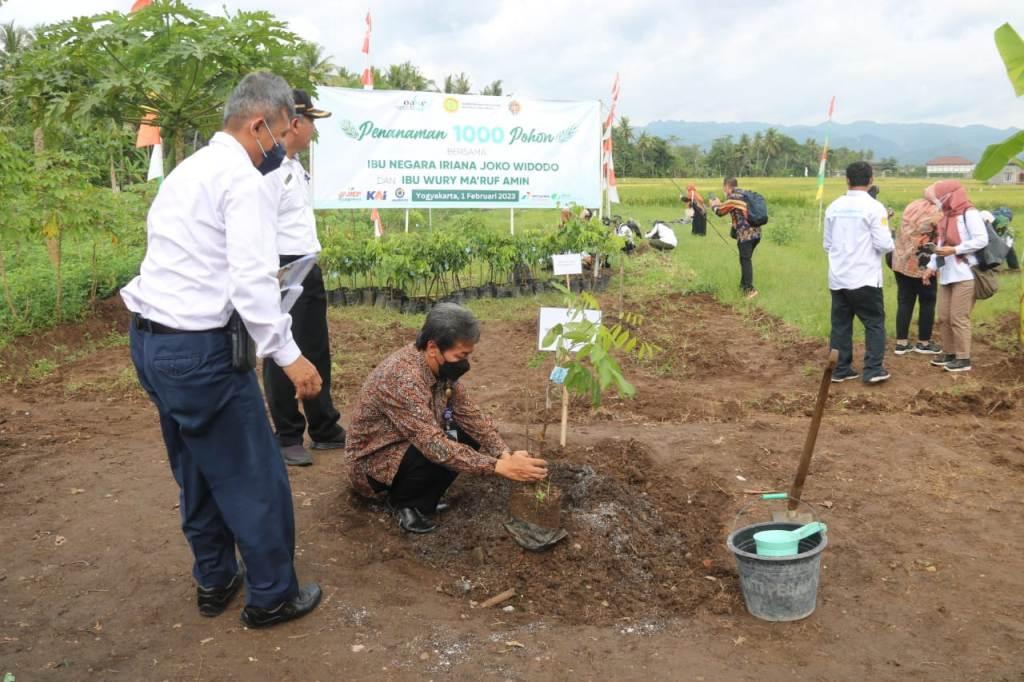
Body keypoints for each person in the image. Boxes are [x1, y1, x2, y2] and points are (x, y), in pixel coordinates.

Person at [120, 72, 323, 629]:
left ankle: (214, 578)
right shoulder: (245, 179)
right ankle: (272, 595)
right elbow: (252, 282)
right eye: (282, 133)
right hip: (201, 354)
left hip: (150, 343)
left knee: (197, 467)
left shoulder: (190, 170)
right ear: (260, 125)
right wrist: (289, 355)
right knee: (253, 475)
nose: (284, 146)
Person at [345, 304, 549, 534]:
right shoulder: (403, 379)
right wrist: (499, 467)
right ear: (433, 347)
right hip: (374, 463)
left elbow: (469, 414)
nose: (465, 362)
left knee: (465, 434)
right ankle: (403, 503)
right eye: (461, 355)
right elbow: (433, 445)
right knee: (439, 448)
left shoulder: (438, 367)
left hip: (410, 441)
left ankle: (423, 501)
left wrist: (504, 453)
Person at [262, 90, 346, 467]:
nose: (313, 130)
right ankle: (287, 434)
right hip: (281, 267)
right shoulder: (268, 171)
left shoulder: (293, 164)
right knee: (283, 347)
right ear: (295, 123)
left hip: (305, 264)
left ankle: (324, 426)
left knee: (315, 348)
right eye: (311, 121)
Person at [823, 161, 894, 384]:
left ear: (847, 180)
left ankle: (840, 369)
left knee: (841, 324)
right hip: (865, 277)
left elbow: (827, 244)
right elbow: (884, 244)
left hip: (839, 277)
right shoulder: (874, 207)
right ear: (871, 180)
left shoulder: (833, 207)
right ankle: (873, 369)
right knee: (874, 323)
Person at [923, 181, 988, 373]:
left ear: (951, 195)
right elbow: (940, 246)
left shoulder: (969, 213)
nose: (937, 201)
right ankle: (949, 352)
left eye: (940, 197)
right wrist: (930, 267)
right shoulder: (946, 217)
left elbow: (981, 239)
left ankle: (963, 358)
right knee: (944, 316)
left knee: (959, 317)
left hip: (965, 273)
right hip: (947, 274)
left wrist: (955, 249)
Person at [891, 199, 943, 355]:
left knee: (904, 301)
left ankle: (901, 343)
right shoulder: (935, 213)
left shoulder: (912, 205)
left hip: (900, 260)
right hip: (923, 263)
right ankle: (924, 343)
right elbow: (941, 235)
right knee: (927, 301)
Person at [710, 177, 761, 299]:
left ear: (727, 186)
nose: (724, 190)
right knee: (745, 259)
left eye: (724, 187)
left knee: (745, 261)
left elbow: (720, 212)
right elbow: (733, 208)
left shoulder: (733, 198)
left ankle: (749, 290)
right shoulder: (745, 194)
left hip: (745, 234)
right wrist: (721, 203)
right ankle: (743, 287)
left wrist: (714, 205)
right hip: (757, 233)